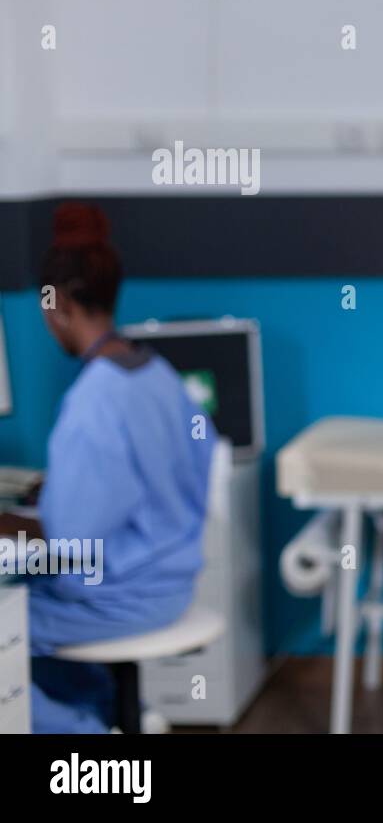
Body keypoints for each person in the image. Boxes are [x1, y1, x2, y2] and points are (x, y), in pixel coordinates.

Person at [0, 202, 215, 732]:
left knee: (10, 616)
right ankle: (107, 712)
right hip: (171, 579)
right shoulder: (155, 373)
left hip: (121, 596)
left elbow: (69, 543)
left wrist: (13, 526)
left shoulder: (93, 400)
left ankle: (89, 740)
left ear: (56, 309)